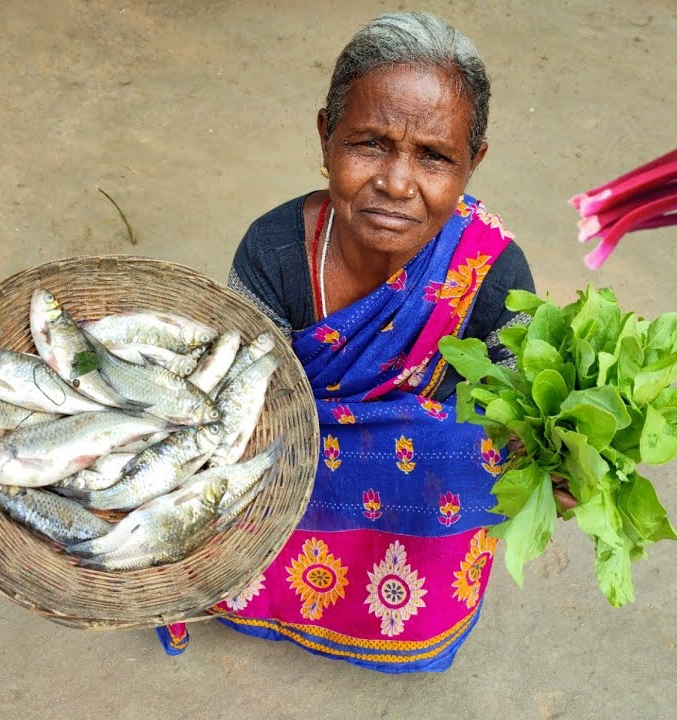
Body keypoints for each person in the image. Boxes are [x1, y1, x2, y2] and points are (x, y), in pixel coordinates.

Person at [154, 11, 534, 673]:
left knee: (463, 447)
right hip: (286, 459)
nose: (396, 181)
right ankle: (261, 597)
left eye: (435, 157)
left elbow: (524, 398)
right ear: (326, 136)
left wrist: (544, 458)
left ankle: (400, 626)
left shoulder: (491, 269)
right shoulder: (273, 251)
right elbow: (240, 399)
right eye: (370, 143)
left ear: (473, 163)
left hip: (419, 481)